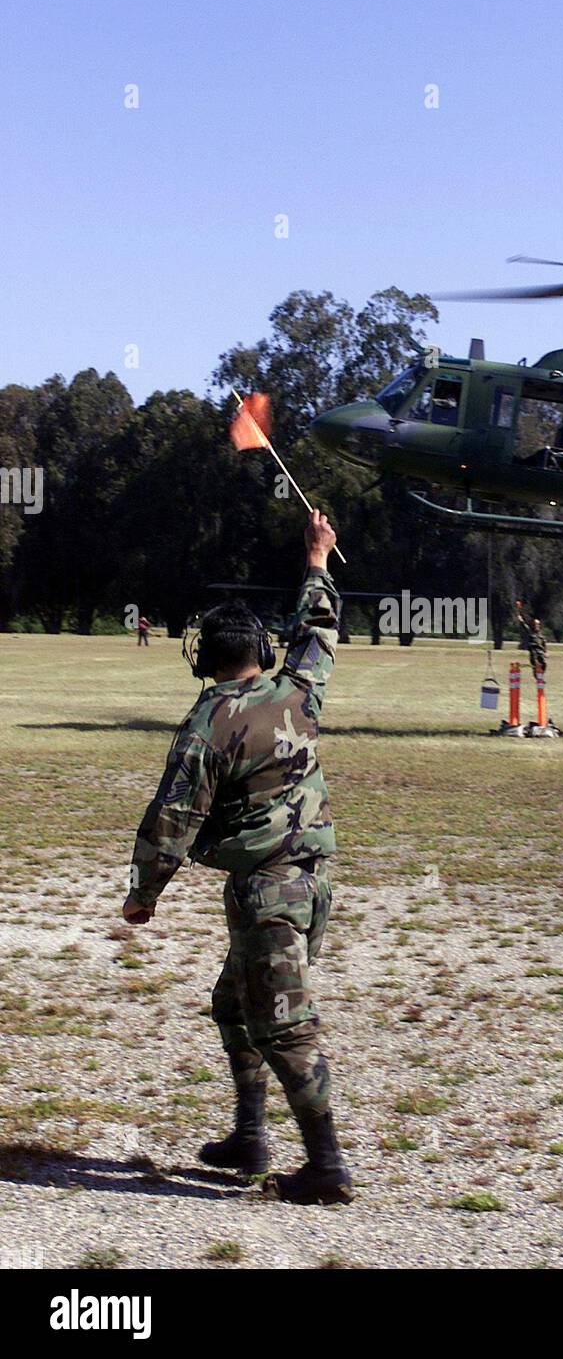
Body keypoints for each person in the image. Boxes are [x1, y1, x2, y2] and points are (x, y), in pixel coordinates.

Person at [123, 509, 352, 1206]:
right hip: (313, 883)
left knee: (283, 1024)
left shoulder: (206, 724)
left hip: (269, 890)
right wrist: (316, 560)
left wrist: (144, 894)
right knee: (235, 1004)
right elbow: (319, 629)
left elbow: (171, 821)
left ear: (210, 657)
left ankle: (328, 1167)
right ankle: (250, 1136)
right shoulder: (298, 689)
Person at [515, 599, 547, 676]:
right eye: (536, 625)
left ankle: (540, 675)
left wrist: (546, 651)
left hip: (540, 651)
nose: (537, 626)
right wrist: (519, 613)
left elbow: (544, 643)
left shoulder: (541, 634)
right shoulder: (530, 631)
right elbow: (523, 624)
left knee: (544, 663)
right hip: (533, 651)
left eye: (538, 625)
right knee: (536, 663)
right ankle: (537, 675)